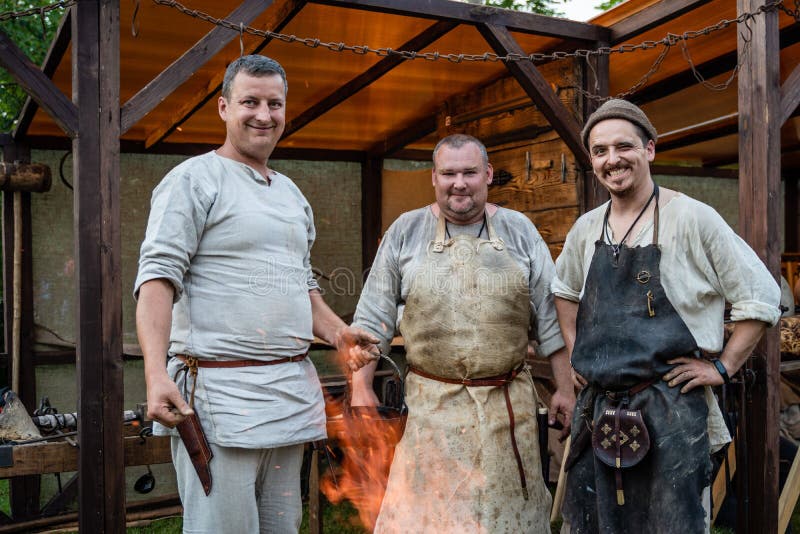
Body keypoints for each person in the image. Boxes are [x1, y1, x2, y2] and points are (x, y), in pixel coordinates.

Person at [134, 55, 377, 534]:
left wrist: (338, 333)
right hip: (219, 400)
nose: (263, 115)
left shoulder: (290, 193)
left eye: (274, 104)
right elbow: (157, 279)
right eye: (250, 102)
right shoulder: (192, 180)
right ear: (224, 107)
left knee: (283, 528)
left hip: (288, 398)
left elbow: (300, 286)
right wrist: (155, 373)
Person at [552, 99, 782, 533]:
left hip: (670, 409)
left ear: (650, 150)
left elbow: (760, 296)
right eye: (600, 151)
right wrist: (575, 350)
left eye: (624, 147)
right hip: (599, 408)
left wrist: (724, 366)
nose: (612, 159)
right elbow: (563, 291)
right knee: (595, 524)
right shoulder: (586, 228)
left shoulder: (693, 218)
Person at [342, 133, 575, 533]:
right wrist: (361, 388)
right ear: (434, 177)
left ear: (487, 175)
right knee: (429, 519)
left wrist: (566, 388)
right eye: (449, 173)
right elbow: (373, 319)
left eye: (469, 172)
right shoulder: (406, 230)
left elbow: (552, 323)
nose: (459, 183)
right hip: (431, 411)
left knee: (505, 520)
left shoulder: (519, 230)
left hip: (508, 410)